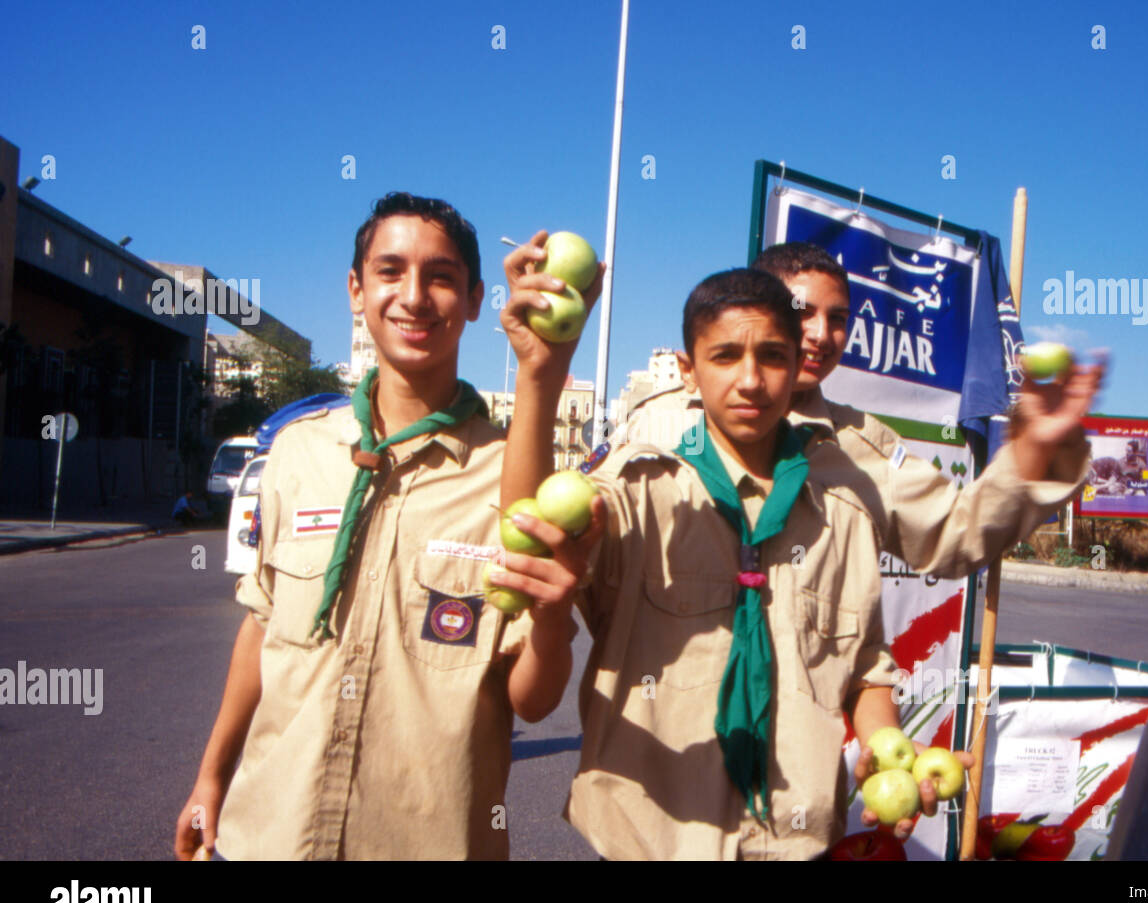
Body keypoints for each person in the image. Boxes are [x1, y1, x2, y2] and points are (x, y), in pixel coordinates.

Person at [497, 257, 1099, 859]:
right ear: (691, 367)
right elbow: (536, 530)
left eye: (834, 320)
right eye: (730, 354)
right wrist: (539, 377)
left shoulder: (854, 467)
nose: (756, 377)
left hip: (794, 839)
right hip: (652, 835)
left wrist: (1037, 451)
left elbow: (883, 625)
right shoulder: (650, 460)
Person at [173, 194, 600, 861]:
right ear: (355, 288)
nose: (414, 296)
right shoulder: (298, 451)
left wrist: (551, 618)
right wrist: (210, 778)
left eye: (441, 277)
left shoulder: (510, 476)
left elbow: (533, 700)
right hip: (268, 837)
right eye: (390, 271)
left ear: (477, 297)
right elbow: (261, 628)